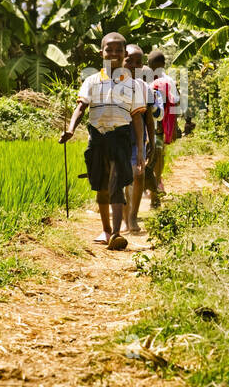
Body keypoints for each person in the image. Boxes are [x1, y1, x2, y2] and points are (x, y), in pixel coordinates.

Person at [59, 32, 146, 251]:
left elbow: (136, 117)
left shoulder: (133, 85)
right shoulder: (91, 81)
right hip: (97, 136)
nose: (114, 54)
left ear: (124, 54)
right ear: (101, 53)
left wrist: (142, 150)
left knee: (116, 181)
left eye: (118, 50)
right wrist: (71, 129)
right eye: (109, 49)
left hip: (121, 136)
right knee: (101, 184)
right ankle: (106, 230)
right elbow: (81, 107)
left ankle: (117, 233)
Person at [122, 44, 157, 233]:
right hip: (118, 140)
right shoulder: (112, 86)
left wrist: (151, 141)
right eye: (129, 61)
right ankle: (125, 217)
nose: (134, 66)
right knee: (121, 180)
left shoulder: (145, 88)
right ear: (121, 60)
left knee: (138, 175)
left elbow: (149, 119)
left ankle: (133, 216)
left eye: (138, 62)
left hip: (137, 140)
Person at [147, 50, 180, 203]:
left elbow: (175, 104)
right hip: (151, 125)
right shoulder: (146, 79)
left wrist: (173, 127)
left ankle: (156, 185)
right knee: (152, 155)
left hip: (159, 127)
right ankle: (152, 184)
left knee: (157, 155)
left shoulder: (167, 81)